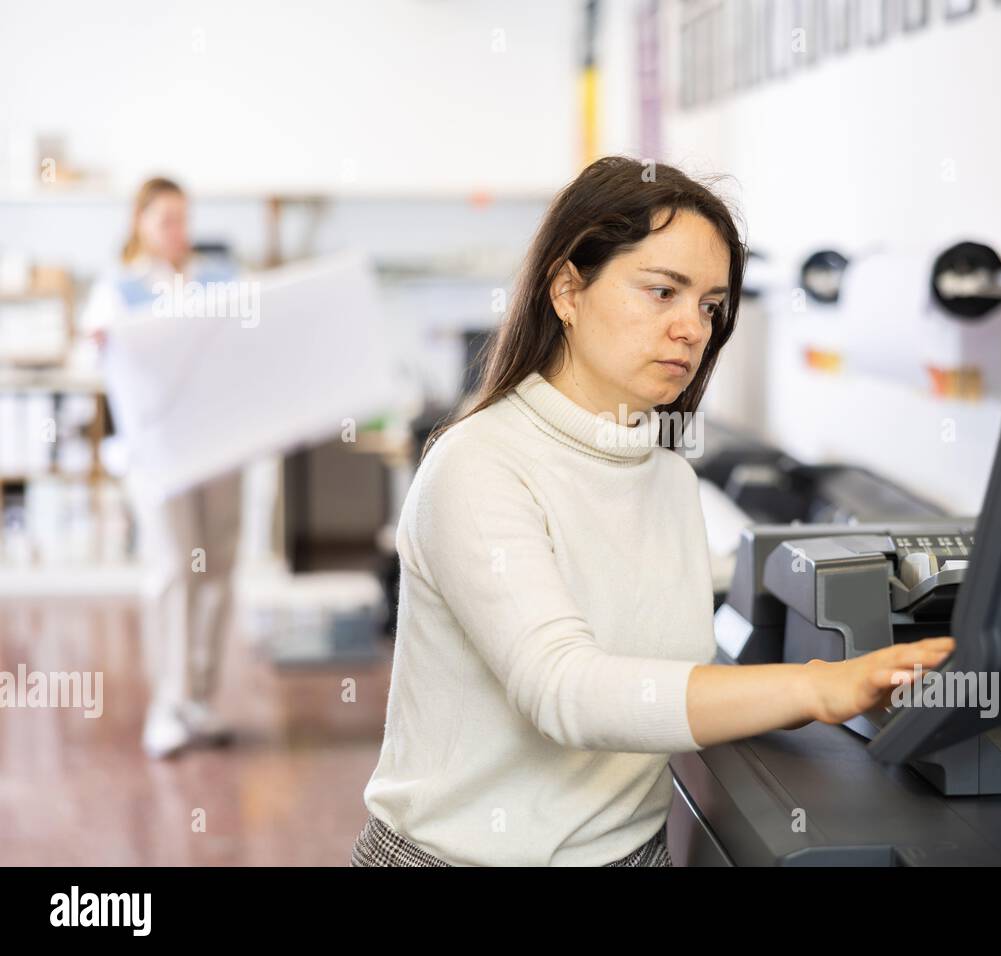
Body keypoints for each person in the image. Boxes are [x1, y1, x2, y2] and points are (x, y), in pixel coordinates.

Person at [352, 157, 953, 867]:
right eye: (662, 292)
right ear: (568, 290)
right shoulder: (478, 464)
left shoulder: (666, 474)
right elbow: (565, 689)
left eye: (708, 305)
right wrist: (821, 688)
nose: (691, 330)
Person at [82, 177, 242, 759]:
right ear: (140, 222)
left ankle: (200, 694)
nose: (178, 231)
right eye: (165, 220)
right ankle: (167, 704)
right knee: (173, 569)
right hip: (160, 456)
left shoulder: (222, 278)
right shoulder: (117, 289)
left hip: (221, 449)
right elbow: (97, 359)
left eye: (184, 218)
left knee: (218, 568)